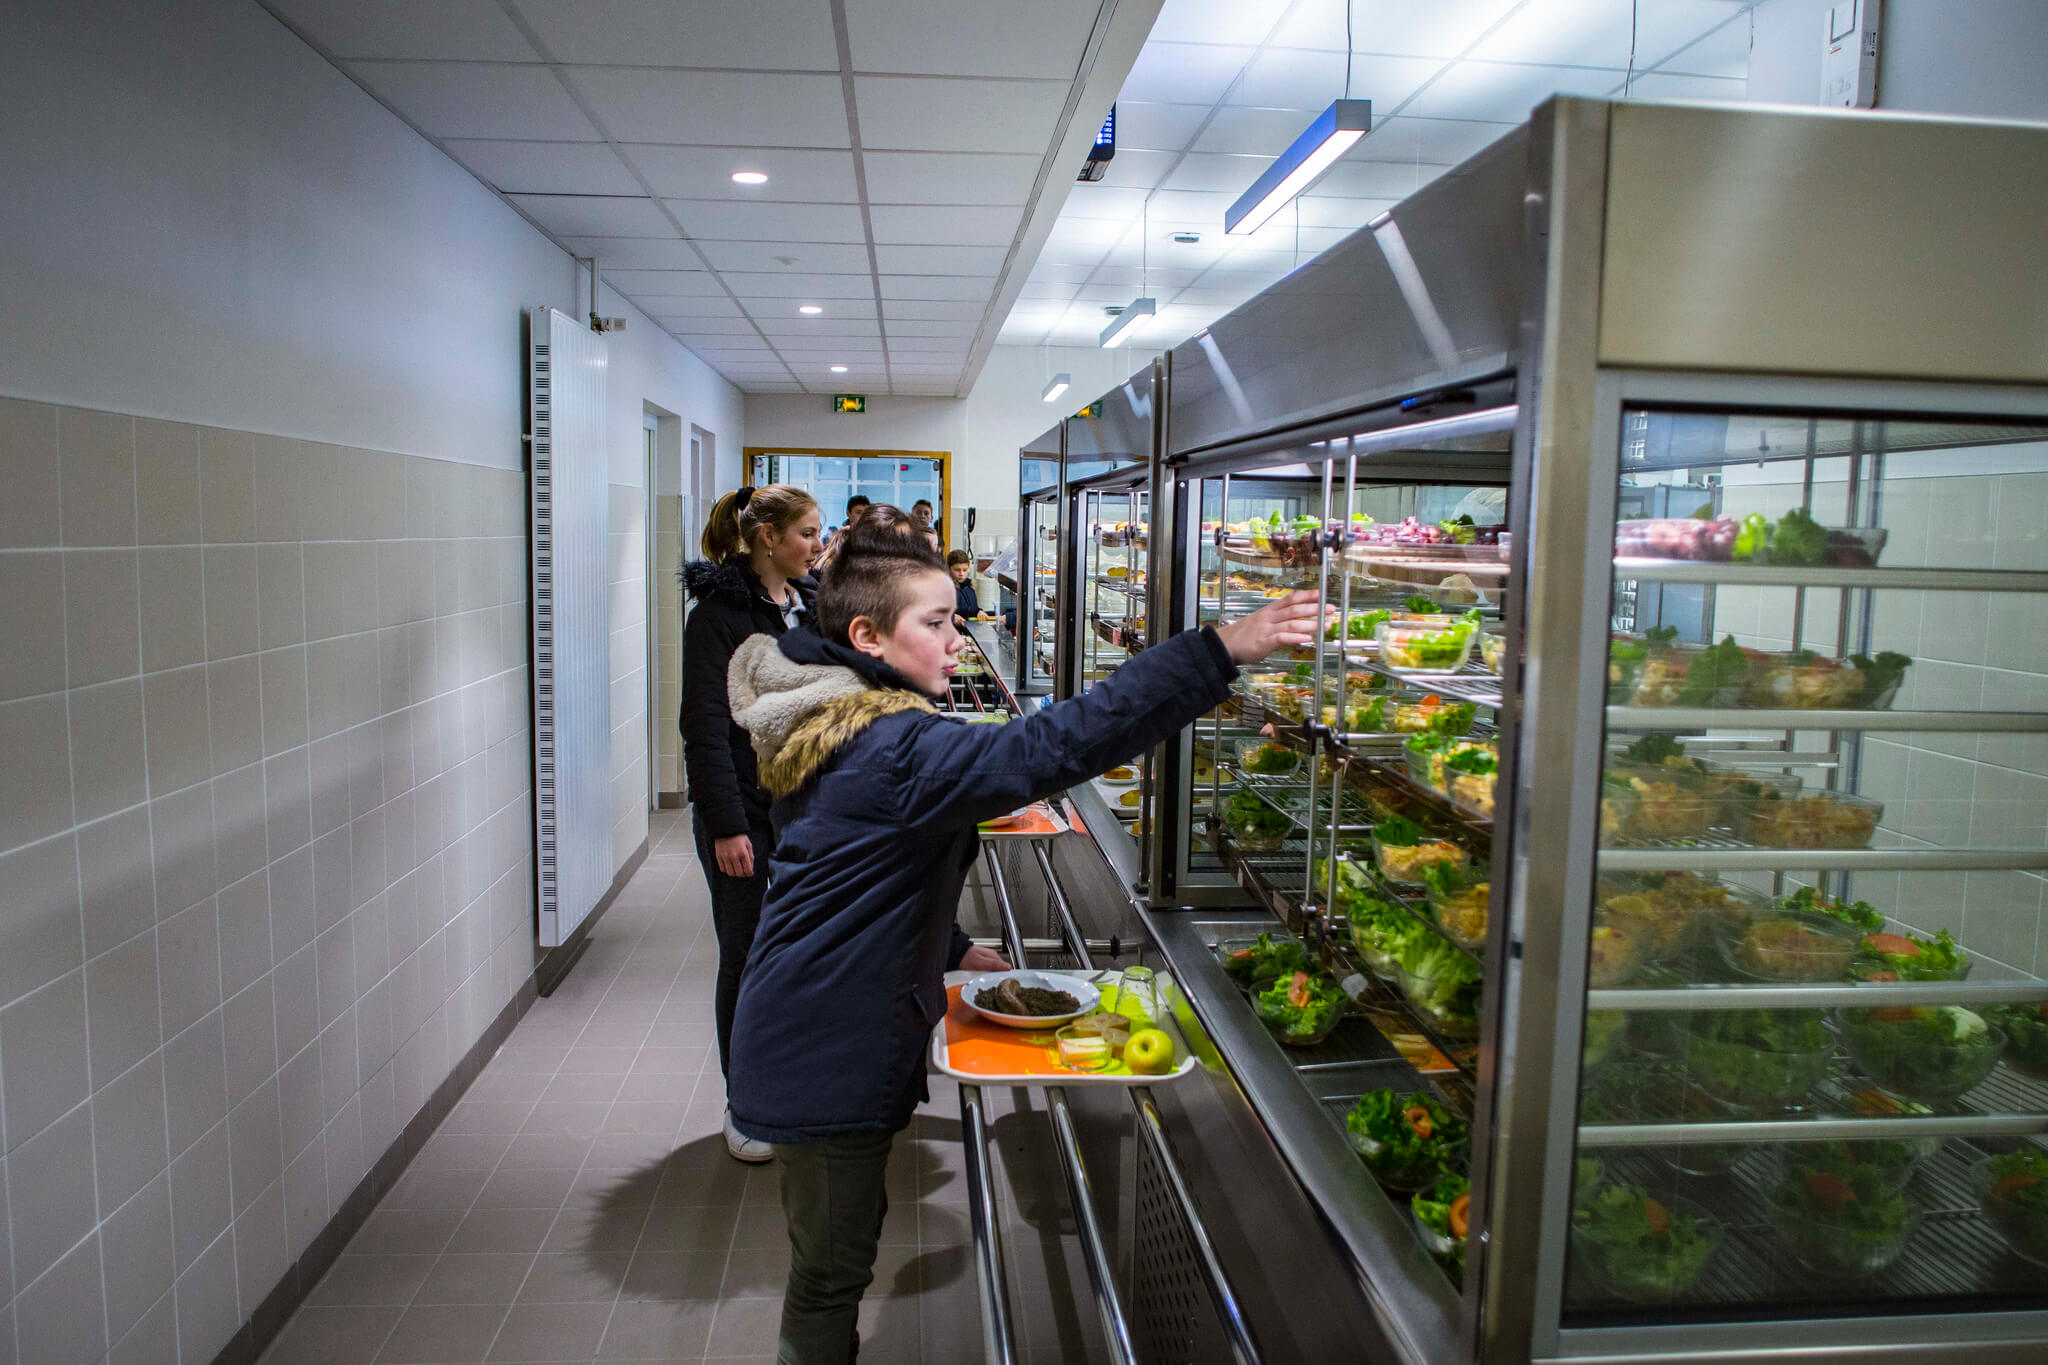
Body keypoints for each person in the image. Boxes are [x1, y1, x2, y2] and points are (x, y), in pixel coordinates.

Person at [725, 510, 1322, 1364]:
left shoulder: (839, 715)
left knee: (839, 1251)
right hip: (820, 1049)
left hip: (810, 1024)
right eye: (936, 622)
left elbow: (848, 874)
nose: (956, 637)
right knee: (829, 1276)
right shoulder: (895, 744)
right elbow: (1050, 747)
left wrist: (948, 949)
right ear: (867, 636)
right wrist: (1217, 650)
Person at [679, 483, 823, 1164]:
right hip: (743, 812)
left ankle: (789, 1083)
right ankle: (744, 1103)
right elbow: (705, 728)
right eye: (807, 533)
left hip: (803, 808)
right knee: (746, 954)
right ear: (769, 536)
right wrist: (727, 826)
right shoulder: (717, 618)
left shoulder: (806, 605)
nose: (818, 545)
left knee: (798, 952)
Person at [945, 548, 981, 627]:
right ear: (949, 569)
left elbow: (971, 610)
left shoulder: (970, 589)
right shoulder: (944, 589)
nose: (961, 574)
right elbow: (935, 613)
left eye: (965, 570)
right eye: (957, 570)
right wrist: (952, 617)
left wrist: (979, 612)